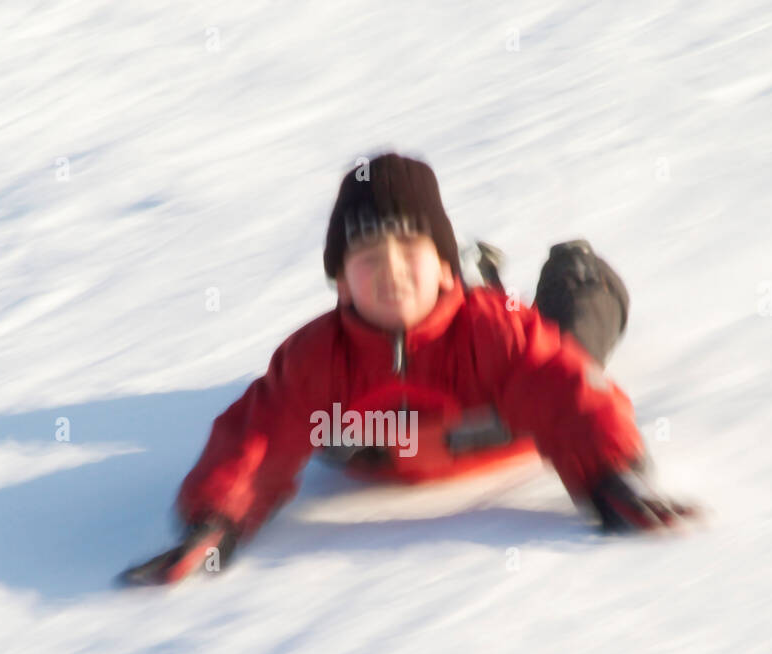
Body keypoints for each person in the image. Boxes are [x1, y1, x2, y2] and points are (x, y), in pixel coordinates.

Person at [123, 153, 701, 585]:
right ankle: (486, 264)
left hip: (507, 429)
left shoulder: (495, 333)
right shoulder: (317, 354)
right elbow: (260, 433)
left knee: (571, 349)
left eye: (410, 254)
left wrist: (609, 478)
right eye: (368, 260)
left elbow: (569, 395)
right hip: (382, 451)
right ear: (342, 281)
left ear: (443, 269)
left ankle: (577, 271)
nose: (391, 272)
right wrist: (216, 521)